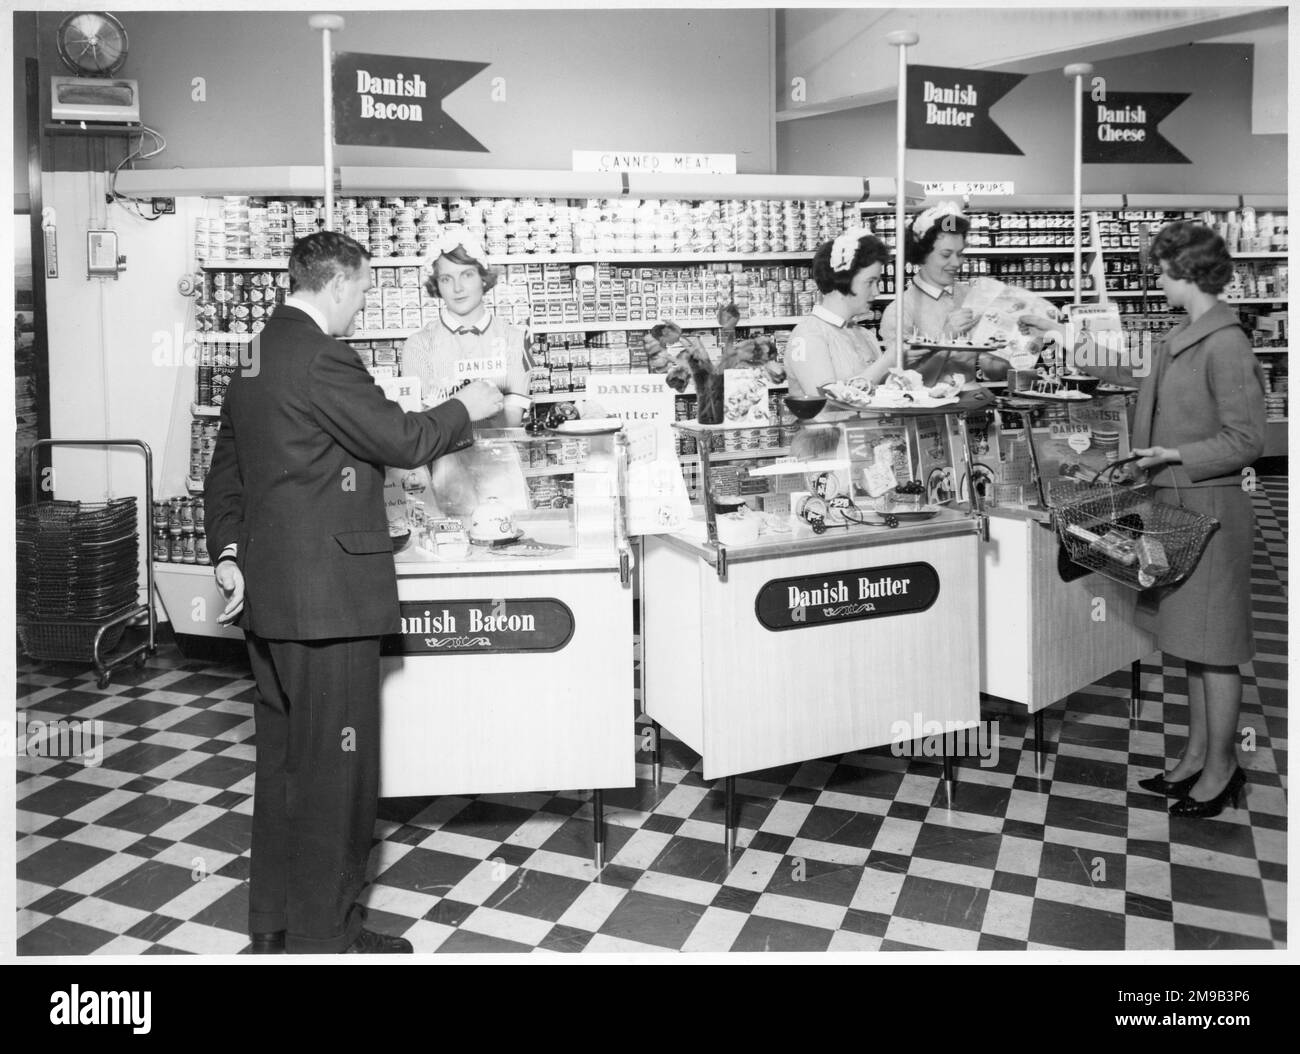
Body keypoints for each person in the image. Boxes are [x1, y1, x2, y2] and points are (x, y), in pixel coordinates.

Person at [204, 231, 504, 953]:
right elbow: (400, 439)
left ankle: (277, 924)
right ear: (336, 285)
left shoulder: (252, 353)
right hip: (329, 605)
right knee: (338, 781)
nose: (363, 306)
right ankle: (327, 939)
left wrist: (229, 552)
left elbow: (225, 471)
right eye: (364, 290)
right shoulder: (324, 356)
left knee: (283, 771)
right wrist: (468, 404)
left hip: (269, 600)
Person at [1030, 221, 1265, 819]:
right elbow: (1139, 380)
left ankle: (1223, 770)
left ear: (1186, 270)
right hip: (1178, 504)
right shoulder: (1185, 334)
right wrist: (1060, 334)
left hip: (1209, 507)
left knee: (1217, 646)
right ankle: (1194, 759)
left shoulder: (1226, 343)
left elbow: (1246, 440)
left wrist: (1174, 454)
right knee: (1191, 642)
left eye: (1159, 271)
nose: (1155, 281)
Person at [401, 226, 532, 428]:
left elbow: (510, 420)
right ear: (436, 285)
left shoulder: (517, 339)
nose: (457, 288)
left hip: (500, 456)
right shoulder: (418, 345)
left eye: (467, 275)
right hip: (445, 459)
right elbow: (423, 426)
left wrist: (451, 409)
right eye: (446, 279)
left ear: (483, 277)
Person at [879, 201, 1009, 382]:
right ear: (922, 255)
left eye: (961, 253)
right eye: (946, 255)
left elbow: (994, 371)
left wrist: (1005, 354)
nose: (957, 263)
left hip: (974, 404)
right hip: (927, 410)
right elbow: (900, 382)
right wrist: (946, 338)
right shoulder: (900, 312)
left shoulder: (971, 297)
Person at [784, 228, 896, 400]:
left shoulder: (865, 334)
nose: (876, 292)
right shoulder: (808, 334)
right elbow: (828, 400)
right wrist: (887, 361)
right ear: (843, 280)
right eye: (870, 282)